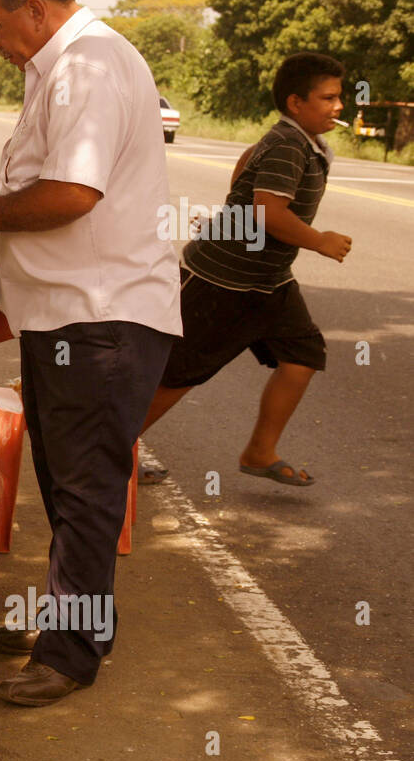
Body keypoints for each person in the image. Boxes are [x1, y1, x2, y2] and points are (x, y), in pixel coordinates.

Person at [0, 0, 181, 706]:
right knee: (67, 484)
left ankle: (70, 654)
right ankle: (74, 616)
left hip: (101, 315)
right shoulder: (59, 68)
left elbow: (75, 190)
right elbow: (48, 172)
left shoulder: (87, 65)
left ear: (36, 9)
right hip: (68, 315)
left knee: (83, 490)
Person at [138, 53, 350, 486]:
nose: (339, 106)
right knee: (179, 374)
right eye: (328, 98)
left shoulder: (294, 141)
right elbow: (268, 212)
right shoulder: (288, 144)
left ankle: (259, 451)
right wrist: (320, 241)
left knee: (303, 354)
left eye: (340, 97)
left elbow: (244, 173)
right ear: (296, 102)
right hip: (223, 282)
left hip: (268, 281)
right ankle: (106, 453)